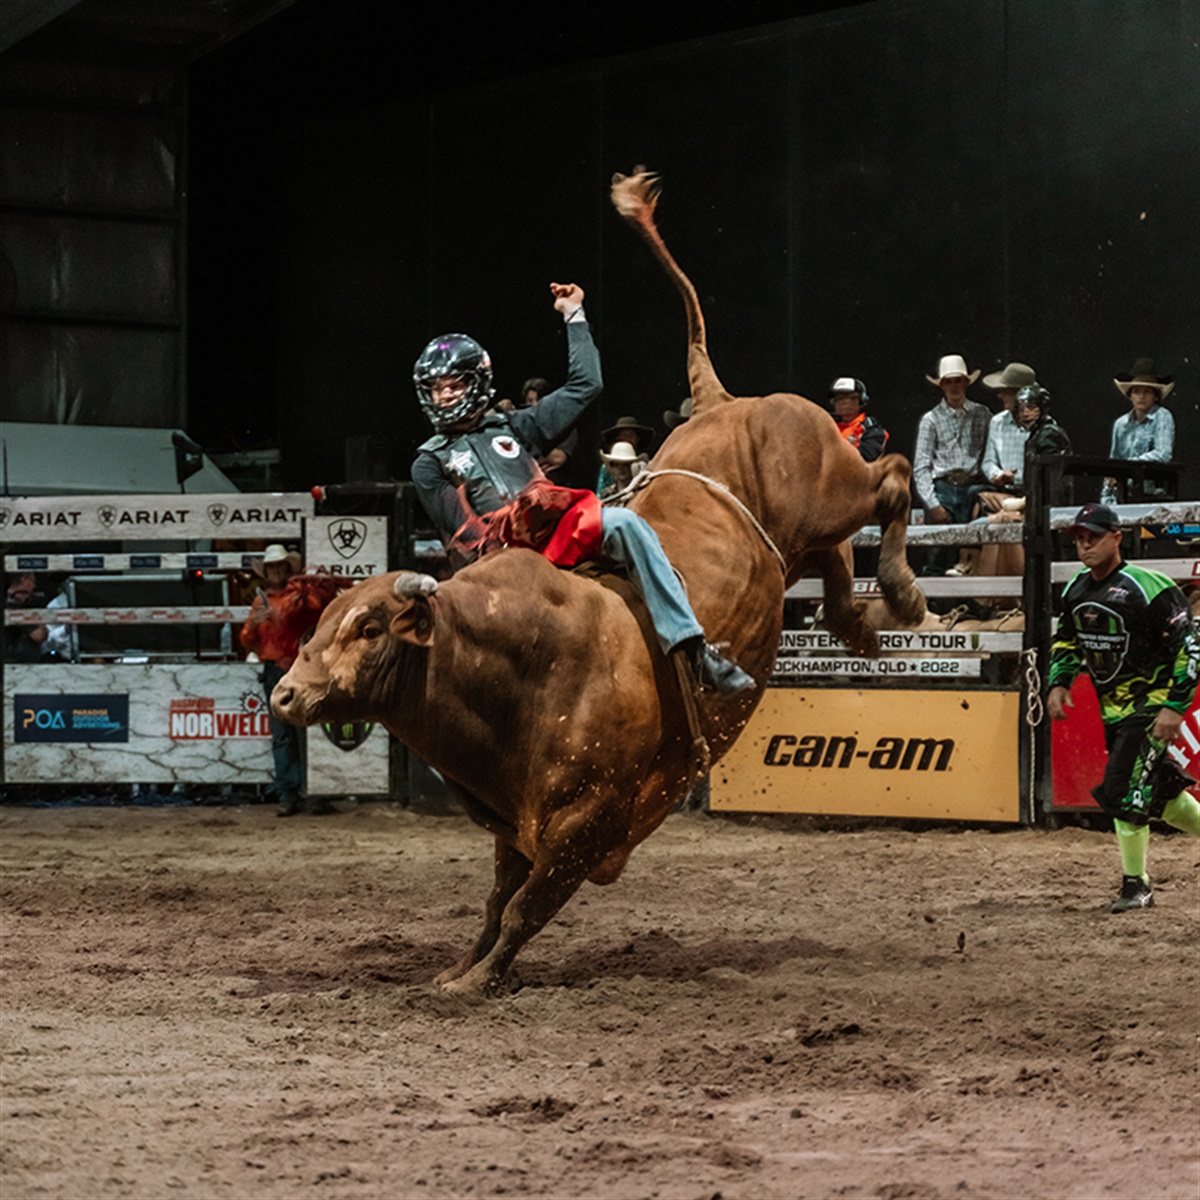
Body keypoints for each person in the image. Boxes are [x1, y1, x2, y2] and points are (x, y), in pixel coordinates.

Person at [409, 282, 753, 695]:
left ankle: (691, 648)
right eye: (437, 388)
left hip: (557, 531)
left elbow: (584, 385)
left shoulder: (516, 426)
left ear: (478, 383)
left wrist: (574, 315)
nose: (445, 396)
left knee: (625, 522)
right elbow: (465, 535)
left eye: (454, 385)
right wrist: (511, 523)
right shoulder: (428, 463)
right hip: (499, 563)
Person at [1047, 503, 1200, 912]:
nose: (1085, 546)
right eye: (1079, 539)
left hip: (1150, 706)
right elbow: (1067, 640)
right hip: (1113, 711)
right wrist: (1060, 681)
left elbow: (1189, 648)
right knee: (1160, 795)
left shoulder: (1149, 587)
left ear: (1117, 537)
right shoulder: (1075, 590)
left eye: (1093, 537)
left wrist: (1174, 706)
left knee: (1122, 790)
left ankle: (1137, 885)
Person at [240, 545, 337, 817]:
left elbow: (316, 614)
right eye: (272, 567)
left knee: (301, 733)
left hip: (298, 668)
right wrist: (253, 624)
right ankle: (293, 792)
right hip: (280, 669)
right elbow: (247, 640)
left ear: (286, 569)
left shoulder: (299, 597)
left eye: (279, 566)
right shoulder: (263, 602)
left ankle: (303, 792)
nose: (275, 571)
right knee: (286, 734)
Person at [912, 355, 991, 524]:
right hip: (943, 490)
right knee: (938, 540)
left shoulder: (982, 414)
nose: (954, 386)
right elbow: (922, 465)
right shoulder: (931, 419)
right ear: (942, 385)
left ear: (966, 383)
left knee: (978, 537)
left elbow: (990, 452)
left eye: (958, 381)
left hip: (973, 488)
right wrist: (933, 504)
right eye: (949, 382)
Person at [1103, 358, 1177, 502]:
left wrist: (1127, 467)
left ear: (1155, 396)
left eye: (1147, 392)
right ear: (1130, 395)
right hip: (1123, 493)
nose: (1141, 396)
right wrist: (1107, 497)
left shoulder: (1162, 416)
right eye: (1137, 391)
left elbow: (1163, 454)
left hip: (1153, 494)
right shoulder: (1121, 424)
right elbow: (1113, 462)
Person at [979, 362, 1036, 503]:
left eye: (1006, 391)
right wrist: (999, 474)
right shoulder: (997, 422)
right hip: (1004, 493)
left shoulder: (1043, 426)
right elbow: (988, 461)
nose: (1000, 395)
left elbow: (1045, 471)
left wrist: (1016, 478)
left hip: (1033, 495)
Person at [828, 377, 888, 462]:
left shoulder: (870, 428)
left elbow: (869, 456)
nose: (844, 402)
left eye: (851, 398)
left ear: (861, 401)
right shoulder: (828, 426)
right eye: (839, 398)